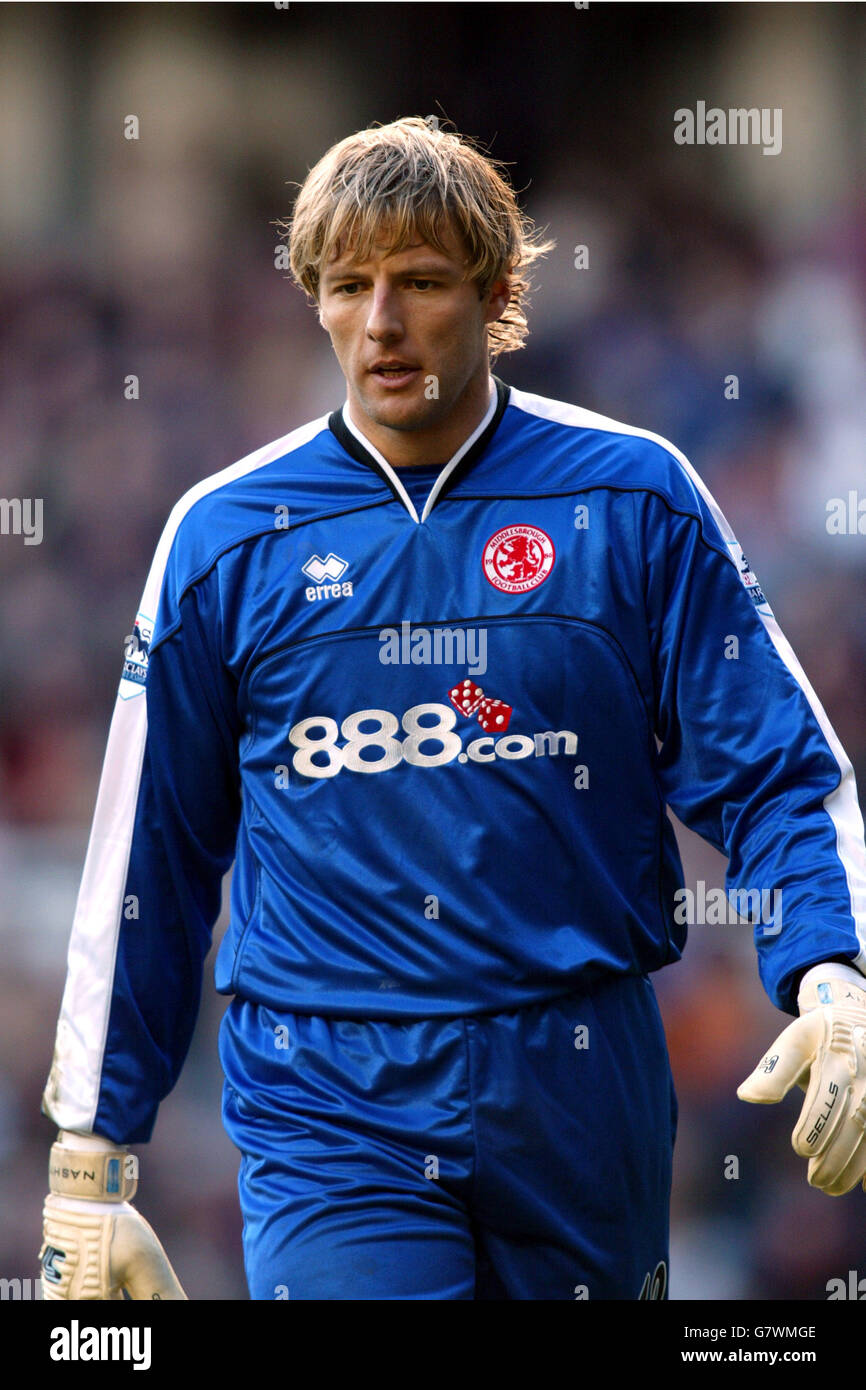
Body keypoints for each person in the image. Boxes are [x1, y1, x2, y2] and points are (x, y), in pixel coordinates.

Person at [39, 116, 866, 1302]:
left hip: (581, 1083)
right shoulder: (224, 538)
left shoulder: (630, 498)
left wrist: (828, 969)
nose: (379, 322)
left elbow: (776, 768)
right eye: (346, 286)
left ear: (494, 294)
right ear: (313, 300)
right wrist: (89, 1154)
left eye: (420, 282)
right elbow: (146, 857)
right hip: (331, 1091)